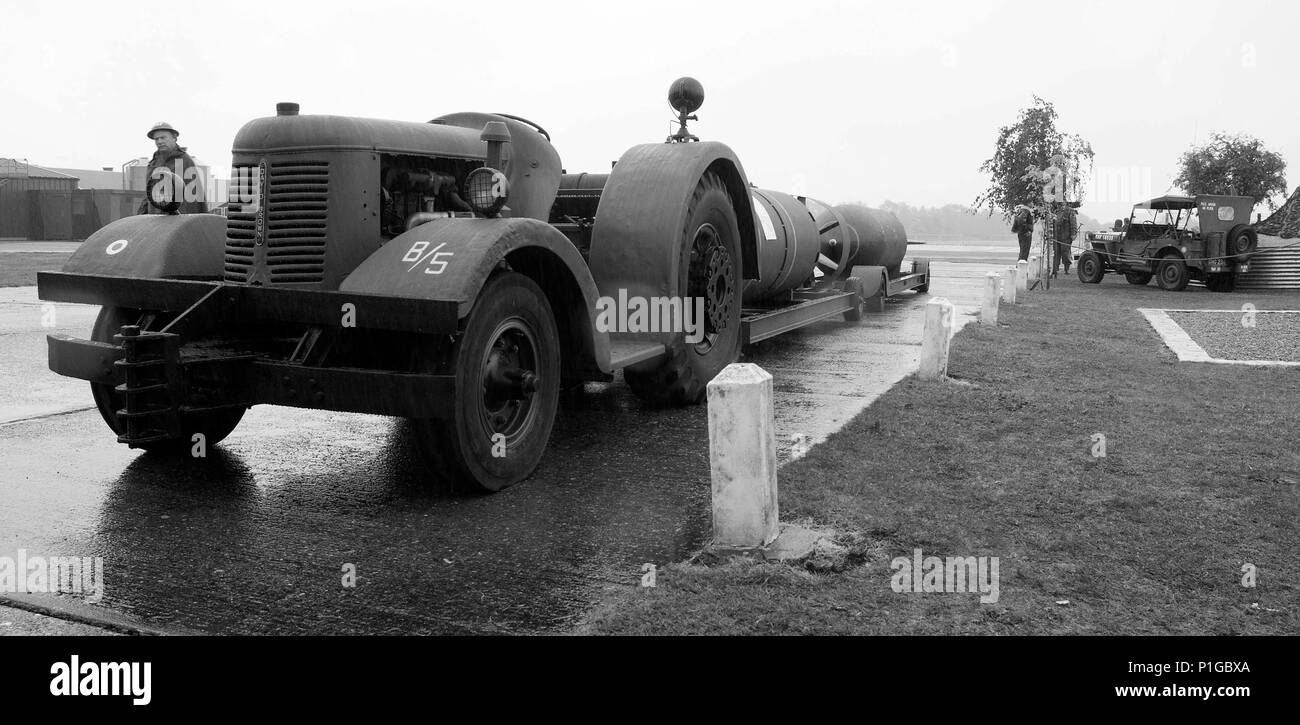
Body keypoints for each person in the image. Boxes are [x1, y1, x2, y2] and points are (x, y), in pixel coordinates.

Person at [137, 121, 207, 214]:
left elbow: (194, 196)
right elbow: (148, 195)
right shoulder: (153, 164)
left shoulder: (184, 160)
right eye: (156, 139)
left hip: (176, 218)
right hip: (155, 219)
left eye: (163, 137)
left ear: (174, 138)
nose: (159, 141)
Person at [1052, 203, 1079, 277]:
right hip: (1056, 235)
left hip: (1066, 236)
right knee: (1056, 252)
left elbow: (1073, 223)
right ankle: (1055, 269)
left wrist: (1073, 233)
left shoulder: (1070, 211)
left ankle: (1066, 269)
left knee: (1065, 253)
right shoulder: (1056, 211)